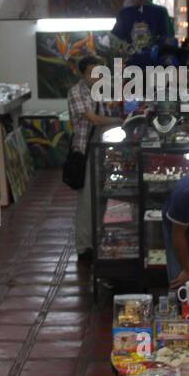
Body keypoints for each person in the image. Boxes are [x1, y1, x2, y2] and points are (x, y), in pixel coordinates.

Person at [68, 55, 119, 261]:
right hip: (86, 150)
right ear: (81, 73)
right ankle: (84, 248)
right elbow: (94, 119)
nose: (95, 77)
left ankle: (102, 241)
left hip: (105, 148)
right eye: (90, 73)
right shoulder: (75, 92)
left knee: (104, 196)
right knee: (87, 200)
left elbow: (112, 107)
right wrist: (120, 120)